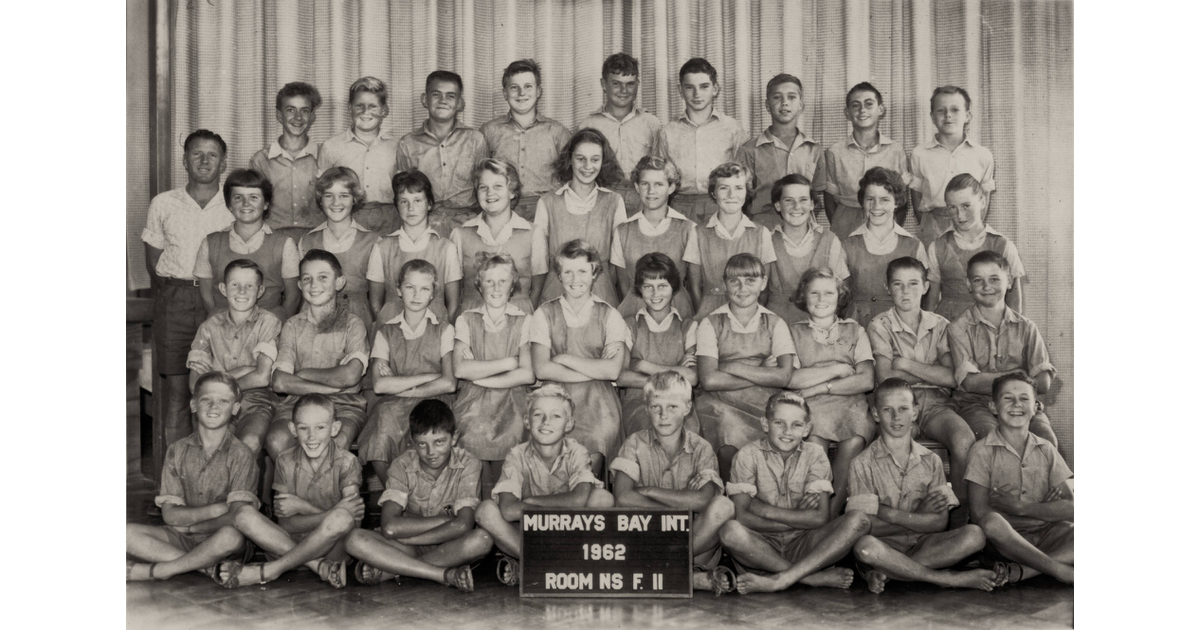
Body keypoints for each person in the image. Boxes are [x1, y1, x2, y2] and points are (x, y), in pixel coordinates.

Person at [848, 378, 1000, 594]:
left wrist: (888, 514)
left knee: (975, 535)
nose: (896, 417)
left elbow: (940, 523)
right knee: (865, 547)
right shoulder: (861, 463)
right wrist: (919, 516)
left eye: (903, 409)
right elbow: (867, 527)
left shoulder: (931, 461)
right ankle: (945, 578)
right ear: (875, 414)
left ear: (915, 412)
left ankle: (890, 572)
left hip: (923, 547)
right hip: (882, 546)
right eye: (887, 410)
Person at [142, 129, 233, 479]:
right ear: (184, 160)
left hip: (222, 301)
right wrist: (179, 289)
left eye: (212, 155)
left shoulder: (234, 202)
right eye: (197, 154)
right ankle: (176, 482)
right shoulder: (163, 203)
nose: (205, 161)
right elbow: (154, 262)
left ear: (223, 163)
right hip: (176, 299)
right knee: (179, 395)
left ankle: (219, 479)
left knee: (221, 391)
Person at [719, 391, 870, 594]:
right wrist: (799, 516)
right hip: (761, 547)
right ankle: (809, 577)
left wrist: (765, 510)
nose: (787, 431)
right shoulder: (746, 455)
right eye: (779, 423)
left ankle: (782, 579)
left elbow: (820, 518)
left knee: (860, 520)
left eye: (796, 425)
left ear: (807, 429)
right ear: (765, 424)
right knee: (729, 530)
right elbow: (742, 517)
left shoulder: (815, 454)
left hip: (805, 543)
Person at [473, 384, 616, 585]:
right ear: (527, 421)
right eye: (538, 414)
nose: (546, 422)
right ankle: (558, 567)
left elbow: (579, 499)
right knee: (485, 510)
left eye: (556, 416)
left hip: (569, 535)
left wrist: (531, 501)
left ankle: (534, 567)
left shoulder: (578, 452)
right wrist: (557, 508)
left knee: (602, 498)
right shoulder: (516, 455)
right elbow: (507, 510)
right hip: (530, 537)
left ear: (569, 424)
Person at [215, 394, 363, 589]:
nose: (311, 436)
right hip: (289, 543)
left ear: (334, 428)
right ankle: (317, 566)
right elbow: (287, 524)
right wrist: (332, 512)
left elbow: (352, 524)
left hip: (331, 549)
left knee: (341, 519)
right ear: (293, 429)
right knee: (243, 514)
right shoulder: (285, 460)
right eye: (303, 428)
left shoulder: (347, 462)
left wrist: (303, 507)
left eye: (320, 427)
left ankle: (269, 571)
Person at [610, 371, 737, 595]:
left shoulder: (701, 448)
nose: (663, 415)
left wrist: (650, 491)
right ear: (646, 407)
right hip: (649, 535)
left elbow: (704, 499)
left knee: (724, 506)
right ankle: (688, 577)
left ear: (687, 408)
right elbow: (622, 497)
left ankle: (662, 571)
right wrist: (683, 502)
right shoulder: (634, 443)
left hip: (692, 540)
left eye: (672, 407)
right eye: (655, 407)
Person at [345, 399, 488, 592]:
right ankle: (441, 574)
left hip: (447, 545)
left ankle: (395, 569)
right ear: (412, 442)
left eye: (439, 442)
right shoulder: (401, 465)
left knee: (482, 539)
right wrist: (448, 521)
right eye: (422, 444)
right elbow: (390, 528)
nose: (431, 452)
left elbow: (463, 526)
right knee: (353, 538)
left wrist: (413, 538)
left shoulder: (469, 464)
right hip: (409, 546)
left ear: (454, 438)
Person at [867, 257, 974, 513]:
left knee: (964, 440)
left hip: (937, 405)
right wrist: (930, 372)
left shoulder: (940, 324)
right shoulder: (879, 325)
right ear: (887, 288)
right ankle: (902, 518)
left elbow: (951, 378)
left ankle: (958, 517)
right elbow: (886, 378)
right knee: (897, 446)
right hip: (898, 406)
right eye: (898, 284)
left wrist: (904, 364)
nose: (906, 291)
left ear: (926, 287)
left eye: (913, 284)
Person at [126, 372, 257, 581]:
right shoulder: (176, 450)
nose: (213, 406)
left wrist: (191, 525)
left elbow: (235, 516)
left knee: (230, 537)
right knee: (125, 534)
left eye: (223, 401)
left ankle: (161, 570)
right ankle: (207, 568)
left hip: (222, 538)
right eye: (206, 399)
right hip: (183, 536)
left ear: (235, 408)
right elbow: (170, 516)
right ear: (193, 405)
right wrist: (216, 509)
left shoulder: (242, 454)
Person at [530, 240, 628, 474]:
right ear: (559, 275)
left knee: (596, 438)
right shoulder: (544, 313)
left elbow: (612, 371)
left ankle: (588, 489)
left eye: (582, 271)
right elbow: (542, 369)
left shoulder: (610, 315)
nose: (575, 279)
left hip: (598, 400)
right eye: (568, 272)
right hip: (553, 397)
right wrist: (596, 368)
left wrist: (564, 358)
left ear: (594, 273)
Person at [966, 373, 1074, 585]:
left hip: (1045, 536)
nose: (1017, 404)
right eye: (1008, 398)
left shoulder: (1046, 449)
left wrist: (1021, 508)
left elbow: (1071, 507)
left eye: (1024, 398)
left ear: (1036, 407)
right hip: (1004, 543)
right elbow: (979, 514)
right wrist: (1043, 514)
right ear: (993, 407)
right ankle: (1058, 569)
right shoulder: (981, 451)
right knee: (992, 522)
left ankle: (1025, 571)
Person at [357, 259, 458, 482]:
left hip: (434, 401)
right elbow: (380, 385)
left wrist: (401, 384)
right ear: (398, 290)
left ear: (433, 293)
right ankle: (396, 491)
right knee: (380, 432)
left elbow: (449, 383)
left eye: (424, 289)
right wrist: (432, 376)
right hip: (394, 404)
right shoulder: (386, 332)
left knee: (429, 435)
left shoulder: (444, 329)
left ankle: (426, 493)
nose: (416, 295)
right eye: (410, 287)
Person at [694, 254, 795, 476]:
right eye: (734, 281)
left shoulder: (776, 323)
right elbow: (709, 380)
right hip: (720, 402)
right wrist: (762, 371)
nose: (742, 288)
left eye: (750, 280)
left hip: (764, 401)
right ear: (724, 285)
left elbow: (784, 377)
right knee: (727, 431)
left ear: (763, 283)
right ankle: (731, 491)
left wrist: (730, 367)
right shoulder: (710, 323)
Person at [787, 267, 875, 516]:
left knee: (854, 440)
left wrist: (817, 386)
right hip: (811, 405)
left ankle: (830, 516)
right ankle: (814, 511)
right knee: (814, 441)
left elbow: (866, 380)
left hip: (849, 402)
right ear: (804, 296)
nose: (821, 299)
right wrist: (837, 369)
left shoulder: (855, 330)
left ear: (840, 296)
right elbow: (792, 379)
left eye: (828, 293)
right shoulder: (793, 332)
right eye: (814, 293)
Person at [266, 250, 369, 461]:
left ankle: (326, 483)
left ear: (339, 282)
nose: (314, 285)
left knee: (336, 442)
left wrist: (303, 374)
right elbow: (280, 382)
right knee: (277, 440)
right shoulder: (292, 326)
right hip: (298, 403)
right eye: (307, 279)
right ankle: (295, 482)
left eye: (323, 277)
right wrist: (332, 387)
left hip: (343, 405)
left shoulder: (353, 324)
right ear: (299, 285)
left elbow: (350, 376)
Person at [948, 251, 1058, 444]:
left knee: (1045, 439)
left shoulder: (1027, 327)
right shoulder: (958, 328)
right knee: (993, 441)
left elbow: (1043, 382)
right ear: (968, 285)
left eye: (994, 279)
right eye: (978, 280)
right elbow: (971, 383)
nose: (986, 286)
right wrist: (1020, 374)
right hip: (976, 405)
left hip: (1021, 403)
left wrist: (990, 380)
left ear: (1009, 281)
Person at [452, 253, 536, 498]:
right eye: (489, 282)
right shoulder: (466, 319)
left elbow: (527, 375)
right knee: (471, 434)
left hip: (513, 397)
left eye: (502, 281)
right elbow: (460, 370)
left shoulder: (524, 320)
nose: (496, 288)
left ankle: (503, 501)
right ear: (480, 286)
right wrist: (509, 362)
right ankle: (482, 501)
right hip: (474, 399)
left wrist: (479, 373)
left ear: (512, 285)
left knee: (512, 435)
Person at [187, 259, 282, 456]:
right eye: (235, 285)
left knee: (249, 443)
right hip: (215, 403)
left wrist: (218, 378)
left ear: (260, 291)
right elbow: (195, 384)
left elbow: (262, 377)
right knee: (212, 446)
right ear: (223, 289)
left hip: (256, 402)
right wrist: (246, 370)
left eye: (249, 286)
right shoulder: (209, 327)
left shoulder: (268, 322)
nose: (242, 291)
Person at [533, 128, 627, 306]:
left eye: (595, 159)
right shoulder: (547, 202)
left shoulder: (614, 201)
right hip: (556, 294)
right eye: (580, 159)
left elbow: (618, 263)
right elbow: (539, 263)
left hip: (600, 294)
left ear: (603, 162)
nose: (588, 166)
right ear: (570, 159)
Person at [194, 168, 301, 324]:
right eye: (238, 197)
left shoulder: (284, 244)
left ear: (266, 204)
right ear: (229, 205)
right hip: (223, 326)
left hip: (269, 327)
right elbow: (206, 295)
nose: (246, 203)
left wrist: (276, 327)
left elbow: (293, 297)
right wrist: (223, 324)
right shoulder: (210, 243)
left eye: (253, 197)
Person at [651, 57, 749, 225]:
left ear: (715, 89)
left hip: (721, 204)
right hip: (680, 204)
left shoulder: (732, 128)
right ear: (680, 90)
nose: (697, 94)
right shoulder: (668, 131)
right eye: (690, 87)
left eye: (704, 87)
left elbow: (743, 174)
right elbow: (659, 177)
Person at [450, 158, 548, 316]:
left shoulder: (533, 233)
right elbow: (454, 293)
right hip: (473, 318)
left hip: (519, 318)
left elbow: (537, 289)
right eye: (483, 187)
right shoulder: (460, 235)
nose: (490, 193)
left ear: (512, 192)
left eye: (498, 186)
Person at [396, 70, 489, 237]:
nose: (443, 101)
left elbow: (485, 186)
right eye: (436, 95)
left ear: (460, 103)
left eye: (450, 96)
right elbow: (404, 194)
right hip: (424, 225)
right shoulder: (408, 143)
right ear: (424, 99)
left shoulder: (475, 140)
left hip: (468, 225)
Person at [616, 254, 700, 436]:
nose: (655, 294)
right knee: (647, 431)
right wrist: (677, 373)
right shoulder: (629, 325)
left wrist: (642, 365)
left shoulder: (688, 326)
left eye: (662, 286)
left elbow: (693, 377)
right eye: (648, 287)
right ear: (640, 289)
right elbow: (622, 377)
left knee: (687, 433)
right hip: (640, 402)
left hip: (678, 402)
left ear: (674, 287)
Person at [368, 169, 462, 325]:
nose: (410, 208)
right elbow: (375, 302)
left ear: (429, 204)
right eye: (404, 201)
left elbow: (453, 303)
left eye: (417, 200)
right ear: (397, 205)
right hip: (392, 326)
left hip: (435, 327)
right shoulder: (382, 248)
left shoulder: (446, 248)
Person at [482, 58, 572, 222]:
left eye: (528, 86)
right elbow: (480, 177)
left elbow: (570, 179)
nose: (521, 93)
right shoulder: (489, 131)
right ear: (505, 93)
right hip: (503, 210)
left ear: (538, 92)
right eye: (514, 87)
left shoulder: (557, 132)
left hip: (546, 211)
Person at [610, 156, 700, 319]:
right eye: (645, 184)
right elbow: (624, 285)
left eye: (659, 184)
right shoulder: (623, 230)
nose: (651, 191)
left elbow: (694, 285)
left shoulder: (687, 228)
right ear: (637, 187)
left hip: (677, 311)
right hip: (634, 312)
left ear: (671, 187)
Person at [843, 166, 934, 327]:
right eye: (870, 199)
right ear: (862, 202)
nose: (876, 206)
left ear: (896, 202)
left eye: (884, 199)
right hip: (858, 324)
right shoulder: (848, 244)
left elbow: (924, 296)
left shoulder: (913, 245)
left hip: (900, 324)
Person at [927, 173, 1025, 320]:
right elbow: (931, 303)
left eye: (966, 206)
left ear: (982, 202)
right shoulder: (937, 247)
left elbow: (1014, 303)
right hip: (949, 325)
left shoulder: (1003, 245)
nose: (960, 215)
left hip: (990, 326)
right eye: (952, 207)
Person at [735, 73, 825, 228]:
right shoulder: (750, 150)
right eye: (777, 97)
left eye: (791, 97)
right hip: (764, 225)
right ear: (767, 105)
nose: (784, 103)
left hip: (802, 226)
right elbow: (742, 196)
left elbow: (816, 193)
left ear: (801, 105)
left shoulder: (814, 149)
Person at [823, 82, 911, 240]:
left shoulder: (896, 151)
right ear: (847, 113)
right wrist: (840, 228)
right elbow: (829, 199)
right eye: (855, 105)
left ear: (880, 109)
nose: (862, 110)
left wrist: (892, 230)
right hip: (846, 224)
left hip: (884, 222)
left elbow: (902, 199)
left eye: (869, 104)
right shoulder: (835, 152)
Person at [909, 86, 996, 246]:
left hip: (969, 224)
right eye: (941, 111)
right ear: (932, 117)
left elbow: (984, 197)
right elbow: (916, 196)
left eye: (955, 110)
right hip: (933, 226)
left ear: (967, 116)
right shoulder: (920, 154)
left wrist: (972, 225)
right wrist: (927, 225)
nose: (948, 115)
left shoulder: (982, 155)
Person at [689, 162, 777, 320]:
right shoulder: (698, 233)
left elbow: (764, 290)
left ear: (747, 192)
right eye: (724, 188)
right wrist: (703, 317)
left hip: (749, 313)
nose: (731, 195)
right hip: (710, 313)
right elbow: (694, 286)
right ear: (714, 193)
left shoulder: (761, 233)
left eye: (738, 188)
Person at [577, 52, 662, 212]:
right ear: (604, 84)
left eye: (630, 84)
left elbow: (660, 168)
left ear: (637, 84)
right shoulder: (589, 125)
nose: (624, 90)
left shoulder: (651, 123)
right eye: (616, 84)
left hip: (642, 197)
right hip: (602, 197)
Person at [299, 167, 383, 329]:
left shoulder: (372, 241)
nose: (336, 203)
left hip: (357, 319)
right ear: (321, 200)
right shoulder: (307, 241)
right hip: (315, 319)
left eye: (344, 195)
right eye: (328, 195)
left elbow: (376, 300)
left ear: (354, 199)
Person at [316, 76, 400, 233]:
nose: (366, 112)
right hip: (347, 217)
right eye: (359, 106)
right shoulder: (331, 146)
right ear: (350, 108)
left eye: (373, 106)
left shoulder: (398, 146)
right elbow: (322, 192)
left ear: (384, 110)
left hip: (390, 219)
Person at [764, 174, 849, 324]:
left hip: (818, 324)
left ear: (812, 204)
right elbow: (760, 294)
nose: (797, 207)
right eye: (789, 200)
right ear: (777, 205)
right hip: (777, 324)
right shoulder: (767, 241)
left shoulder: (829, 240)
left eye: (803, 200)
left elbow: (840, 291)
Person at [250, 81, 325, 234]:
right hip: (273, 237)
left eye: (304, 111)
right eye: (291, 110)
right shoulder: (261, 160)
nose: (298, 117)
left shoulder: (325, 155)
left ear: (312, 116)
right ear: (279, 115)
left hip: (315, 237)